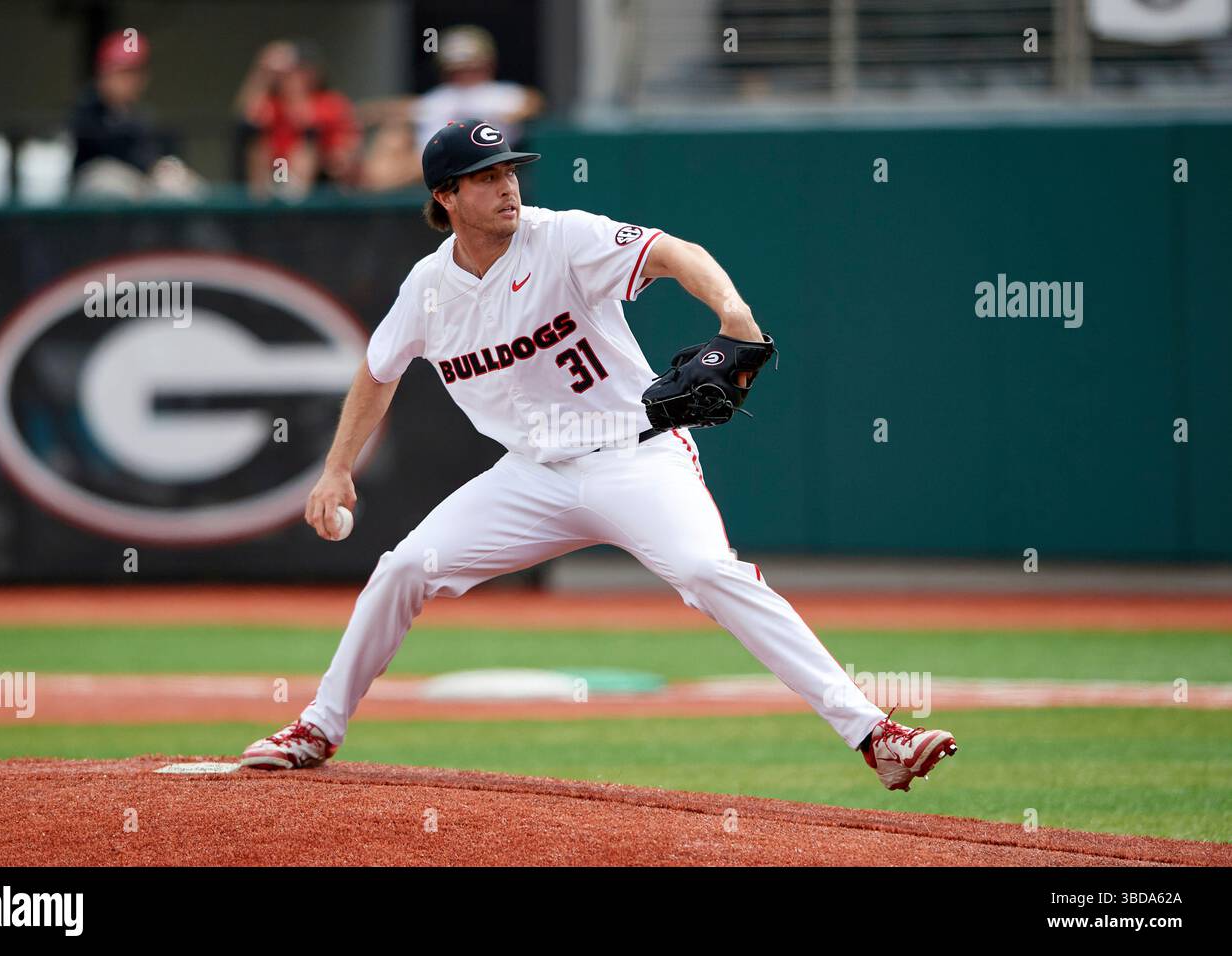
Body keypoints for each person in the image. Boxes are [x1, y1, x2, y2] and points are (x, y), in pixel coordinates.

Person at [239, 119, 959, 793]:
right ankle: (318, 727)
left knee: (708, 570)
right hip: (530, 475)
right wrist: (337, 468)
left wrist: (734, 316)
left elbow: (677, 254)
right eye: (485, 177)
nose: (508, 185)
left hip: (634, 457)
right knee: (402, 568)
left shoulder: (562, 238)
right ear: (445, 196)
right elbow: (377, 371)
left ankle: (875, 735)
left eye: (511, 170)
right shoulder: (428, 289)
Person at [356, 25, 544, 192]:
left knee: (421, 161)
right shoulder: (442, 97)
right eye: (458, 69)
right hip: (427, 160)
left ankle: (368, 190)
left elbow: (534, 101)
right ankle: (369, 192)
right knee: (394, 134)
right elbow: (400, 107)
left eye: (472, 67)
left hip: (475, 161)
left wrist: (514, 113)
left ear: (487, 64)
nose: (465, 74)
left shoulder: (500, 94)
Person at [69, 31, 203, 199]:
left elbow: (154, 157)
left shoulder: (141, 117)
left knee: (184, 186)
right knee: (108, 182)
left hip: (139, 184)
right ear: (103, 74)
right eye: (122, 72)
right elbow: (108, 146)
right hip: (96, 189)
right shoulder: (87, 109)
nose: (130, 81)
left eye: (135, 73)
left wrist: (165, 169)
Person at [234, 40, 361, 198]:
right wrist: (263, 73)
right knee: (256, 139)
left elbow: (305, 120)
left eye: (296, 71)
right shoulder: (273, 103)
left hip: (320, 179)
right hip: (276, 173)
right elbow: (248, 115)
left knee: (309, 138)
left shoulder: (329, 102)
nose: (289, 77)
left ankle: (291, 192)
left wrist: (295, 90)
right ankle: (264, 199)